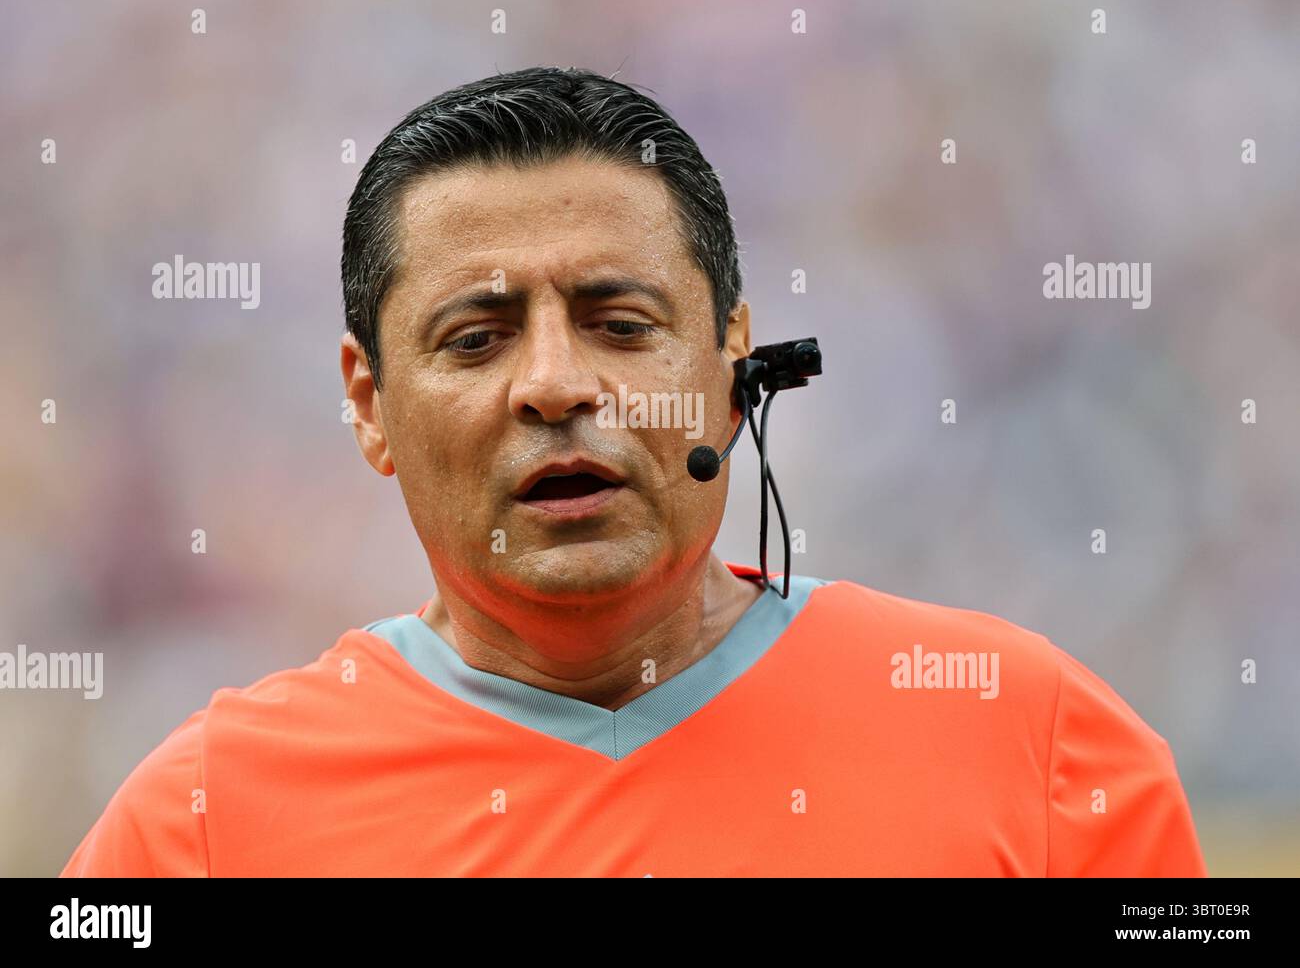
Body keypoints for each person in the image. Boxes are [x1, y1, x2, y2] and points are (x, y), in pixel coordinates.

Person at [61, 66, 1206, 877]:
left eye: (619, 322)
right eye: (477, 337)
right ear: (370, 406)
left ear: (732, 361)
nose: (555, 384)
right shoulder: (201, 824)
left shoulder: (1031, 739)